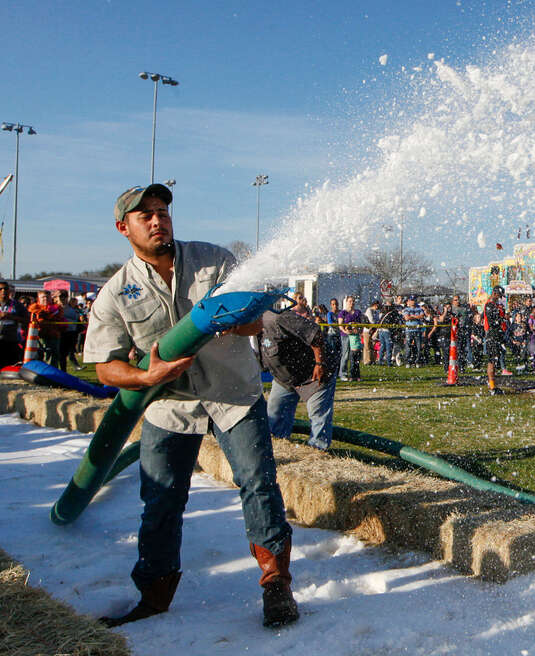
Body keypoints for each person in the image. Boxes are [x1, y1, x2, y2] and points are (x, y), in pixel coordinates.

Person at [84, 184, 297, 628]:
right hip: (169, 405)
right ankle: (154, 595)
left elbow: (256, 320)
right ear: (124, 228)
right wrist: (145, 377)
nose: (158, 219)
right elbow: (106, 368)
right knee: (161, 499)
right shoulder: (114, 293)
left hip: (234, 396)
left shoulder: (214, 259)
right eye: (146, 216)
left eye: (163, 211)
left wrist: (237, 322)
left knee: (258, 484)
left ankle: (276, 584)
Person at [258, 303, 336, 450]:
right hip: (285, 378)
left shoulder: (279, 318)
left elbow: (315, 333)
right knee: (274, 418)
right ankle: (278, 453)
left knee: (318, 416)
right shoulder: (242, 333)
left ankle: (318, 453)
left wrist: (320, 364)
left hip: (312, 372)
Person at [29, 290, 65, 369]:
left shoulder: (57, 307)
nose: (45, 299)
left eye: (47, 297)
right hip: (38, 335)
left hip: (54, 334)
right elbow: (34, 316)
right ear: (38, 298)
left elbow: (59, 317)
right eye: (43, 297)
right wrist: (46, 315)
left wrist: (46, 316)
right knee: (39, 354)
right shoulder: (34, 307)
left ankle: (52, 371)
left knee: (53, 354)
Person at [484, 286, 508, 393]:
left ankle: (493, 384)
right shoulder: (489, 305)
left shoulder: (496, 305)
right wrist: (502, 318)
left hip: (497, 335)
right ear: (495, 293)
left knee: (495, 361)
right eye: (499, 296)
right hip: (492, 335)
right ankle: (492, 386)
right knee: (492, 361)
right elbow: (492, 322)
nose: (499, 298)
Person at [0, 281, 28, 367]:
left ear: (9, 291)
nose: (3, 291)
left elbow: (26, 320)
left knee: (11, 364)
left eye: (6, 289)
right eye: (0, 289)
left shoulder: (17, 305)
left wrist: (12, 317)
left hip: (11, 339)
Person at [337, 296, 363, 380]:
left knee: (355, 356)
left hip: (354, 336)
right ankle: (343, 374)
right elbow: (340, 325)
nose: (351, 303)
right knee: (345, 354)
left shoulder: (357, 312)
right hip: (345, 336)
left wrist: (358, 330)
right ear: (346, 302)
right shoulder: (343, 313)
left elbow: (360, 324)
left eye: (353, 301)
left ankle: (354, 374)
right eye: (350, 301)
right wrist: (345, 331)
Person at [59, 292, 83, 369]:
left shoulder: (72, 308)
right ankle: (63, 369)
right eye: (61, 298)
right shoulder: (57, 308)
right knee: (62, 353)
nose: (63, 299)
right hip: (61, 332)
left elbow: (77, 319)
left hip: (71, 332)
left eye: (64, 298)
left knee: (70, 351)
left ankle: (73, 365)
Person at [400, 297, 427, 367]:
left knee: (418, 347)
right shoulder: (406, 309)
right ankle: (408, 362)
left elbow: (422, 316)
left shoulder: (419, 308)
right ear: (409, 301)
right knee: (408, 346)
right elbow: (406, 318)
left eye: (414, 300)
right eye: (411, 300)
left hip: (418, 330)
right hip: (409, 330)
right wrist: (416, 316)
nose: (413, 302)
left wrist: (412, 316)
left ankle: (417, 361)